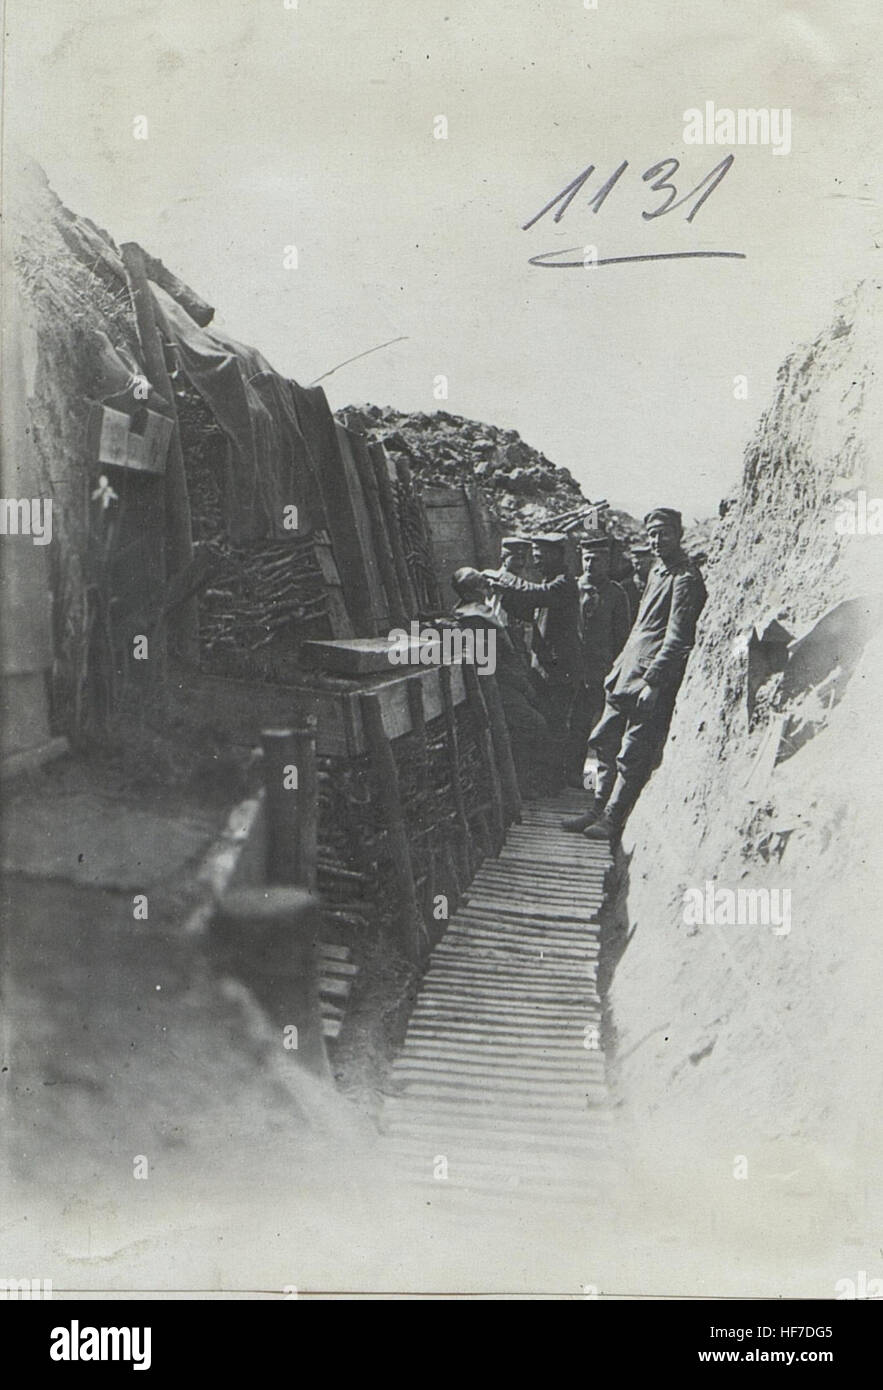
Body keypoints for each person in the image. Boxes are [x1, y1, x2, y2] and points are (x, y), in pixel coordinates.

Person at [564, 508, 707, 840]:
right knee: (604, 742)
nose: (657, 541)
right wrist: (617, 670)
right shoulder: (659, 572)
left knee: (632, 751)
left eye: (664, 534)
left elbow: (676, 636)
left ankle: (613, 820)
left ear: (679, 534)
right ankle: (597, 808)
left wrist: (654, 681)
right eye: (653, 534)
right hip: (625, 675)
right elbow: (639, 628)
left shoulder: (684, 578)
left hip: (647, 681)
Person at [491, 533, 581, 792]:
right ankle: (545, 779)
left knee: (555, 723)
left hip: (561, 667)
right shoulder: (549, 580)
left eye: (540, 558)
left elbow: (536, 594)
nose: (536, 563)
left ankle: (554, 782)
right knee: (546, 720)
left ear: (556, 556)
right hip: (545, 665)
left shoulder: (563, 583)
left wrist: (503, 577)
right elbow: (529, 610)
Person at [450, 566, 552, 794]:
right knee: (534, 725)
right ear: (469, 592)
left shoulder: (477, 612)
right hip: (499, 686)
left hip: (506, 682)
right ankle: (523, 786)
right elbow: (492, 664)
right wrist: (524, 686)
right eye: (480, 584)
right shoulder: (474, 619)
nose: (486, 588)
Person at [565, 533, 632, 787]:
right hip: (572, 670)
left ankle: (603, 779)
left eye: (596, 560)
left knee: (603, 726)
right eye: (587, 559)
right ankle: (571, 774)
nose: (591, 565)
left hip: (602, 670)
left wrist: (615, 671)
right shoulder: (571, 589)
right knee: (574, 724)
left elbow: (622, 637)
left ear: (606, 562)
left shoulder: (616, 594)